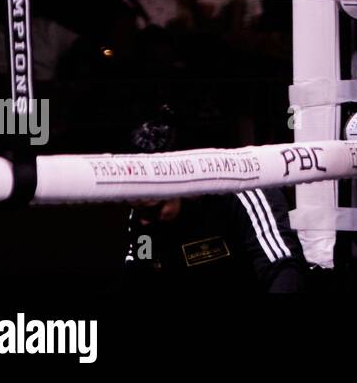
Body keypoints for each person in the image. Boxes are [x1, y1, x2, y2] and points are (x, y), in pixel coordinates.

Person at [122, 111, 308, 292]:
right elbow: (140, 276)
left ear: (184, 184)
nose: (144, 221)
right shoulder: (143, 219)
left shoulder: (242, 190)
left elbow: (282, 268)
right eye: (138, 210)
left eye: (152, 211)